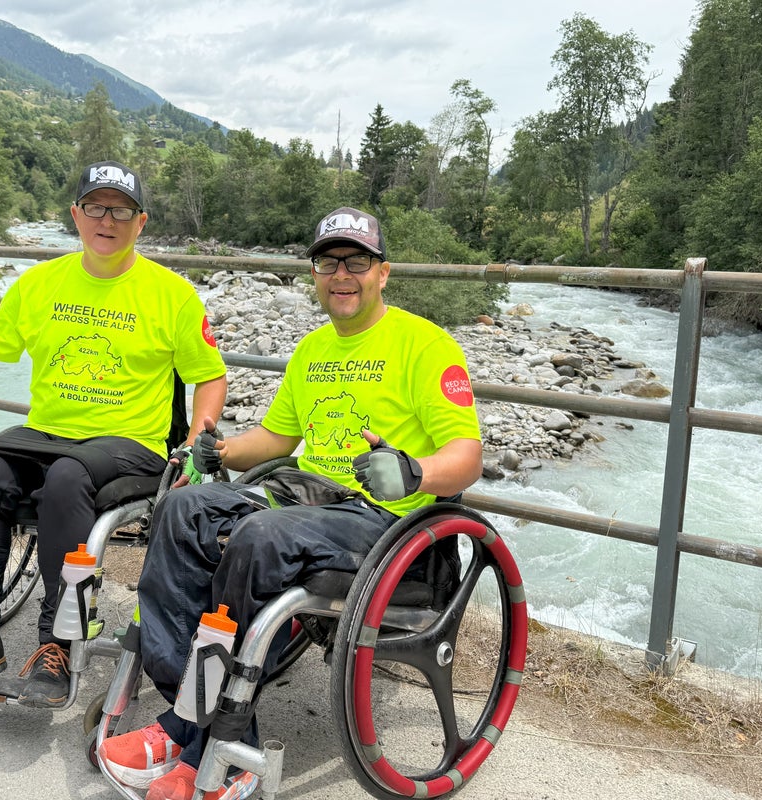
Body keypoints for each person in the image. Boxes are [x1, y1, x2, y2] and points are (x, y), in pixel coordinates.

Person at [97, 207, 482, 800]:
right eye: (329, 263)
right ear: (315, 275)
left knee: (262, 536)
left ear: (383, 272)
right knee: (181, 510)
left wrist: (414, 470)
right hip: (306, 499)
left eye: (356, 261)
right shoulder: (312, 350)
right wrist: (220, 450)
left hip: (383, 522)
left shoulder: (427, 346)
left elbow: (468, 456)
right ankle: (193, 716)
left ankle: (208, 741)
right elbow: (278, 440)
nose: (342, 274)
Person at [0, 161, 228, 708]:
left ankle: (57, 643)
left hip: (131, 443)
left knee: (67, 479)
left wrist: (197, 442)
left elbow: (209, 375)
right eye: (96, 207)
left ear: (141, 221)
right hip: (46, 434)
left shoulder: (172, 295)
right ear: (76, 215)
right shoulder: (39, 283)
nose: (107, 220)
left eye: (121, 209)